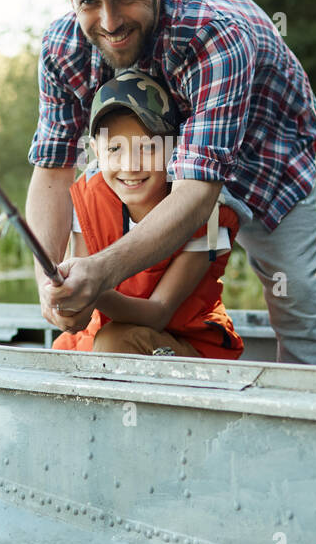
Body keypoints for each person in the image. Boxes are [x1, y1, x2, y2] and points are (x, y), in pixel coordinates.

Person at [27, 0, 316, 367]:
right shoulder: (63, 48)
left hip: (269, 160)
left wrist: (98, 273)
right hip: (163, 158)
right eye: (89, 1)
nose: (111, 21)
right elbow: (54, 172)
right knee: (120, 297)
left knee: (296, 303)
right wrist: (50, 282)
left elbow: (197, 192)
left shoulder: (215, 35)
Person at [51, 69, 243, 359]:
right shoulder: (87, 199)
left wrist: (93, 290)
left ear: (176, 148)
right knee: (70, 350)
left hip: (188, 346)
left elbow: (158, 313)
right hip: (101, 337)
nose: (130, 165)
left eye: (149, 147)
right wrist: (69, 299)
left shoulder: (208, 213)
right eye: (114, 148)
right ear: (95, 151)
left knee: (114, 342)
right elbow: (79, 277)